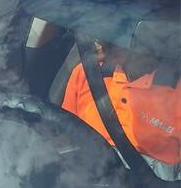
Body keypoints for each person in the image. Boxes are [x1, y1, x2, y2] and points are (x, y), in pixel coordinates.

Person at [62, 40, 180, 170]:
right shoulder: (86, 72)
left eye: (112, 31)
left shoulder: (176, 94)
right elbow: (63, 138)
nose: (96, 40)